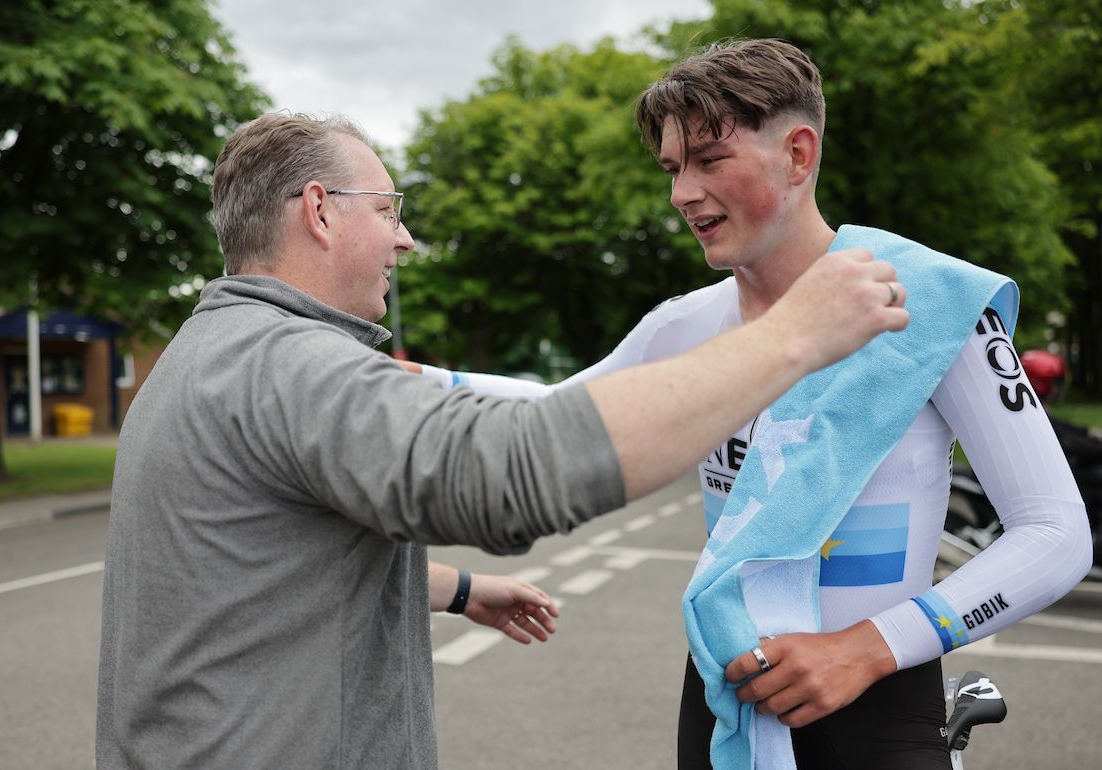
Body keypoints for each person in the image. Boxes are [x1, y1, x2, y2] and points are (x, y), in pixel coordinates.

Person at [94, 111, 908, 769]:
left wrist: (452, 588)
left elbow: (266, 556)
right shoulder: (291, 367)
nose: (405, 240)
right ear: (317, 210)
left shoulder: (202, 354)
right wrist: (792, 338)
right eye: (387, 211)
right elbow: (515, 471)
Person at [413, 39, 1090, 769]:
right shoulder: (684, 324)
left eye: (709, 160)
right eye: (673, 169)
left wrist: (865, 651)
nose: (680, 194)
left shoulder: (931, 306)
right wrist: (396, 380)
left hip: (881, 694)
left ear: (799, 155)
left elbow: (1056, 533)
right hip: (725, 684)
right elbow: (556, 412)